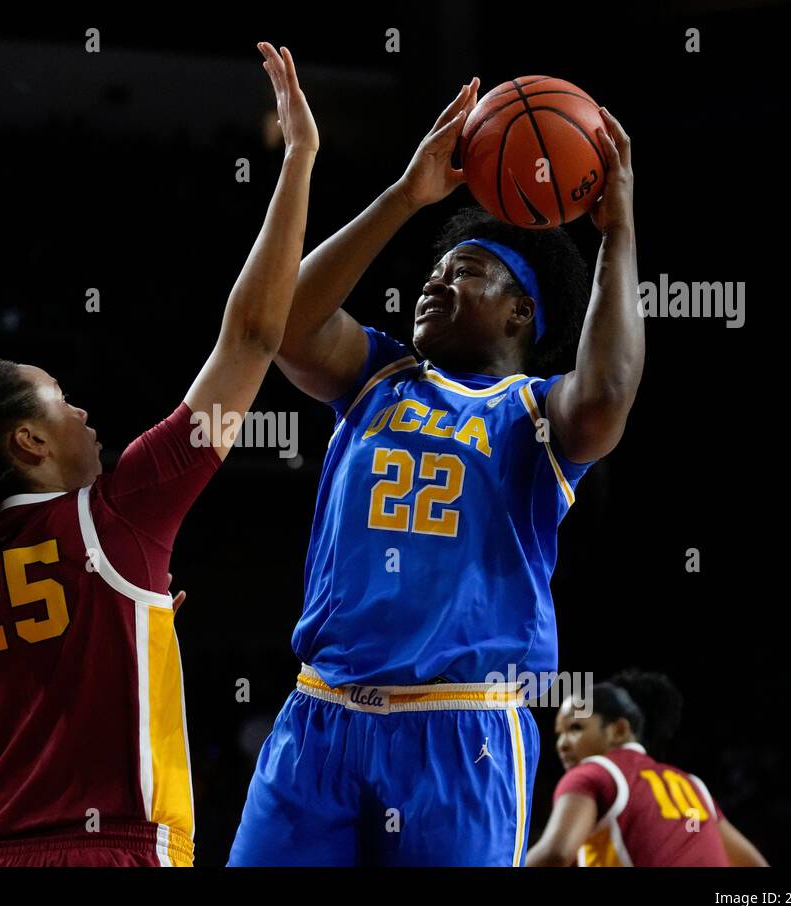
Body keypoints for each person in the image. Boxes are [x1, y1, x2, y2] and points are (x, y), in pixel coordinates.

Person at [0, 42, 318, 866]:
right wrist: (298, 160)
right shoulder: (121, 514)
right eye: (61, 401)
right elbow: (252, 335)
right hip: (113, 851)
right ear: (28, 441)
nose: (85, 411)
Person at [230, 83, 642, 865]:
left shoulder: (537, 413)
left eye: (468, 270)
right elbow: (284, 325)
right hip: (319, 714)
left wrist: (618, 234)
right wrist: (403, 196)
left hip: (460, 730)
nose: (434, 280)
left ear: (522, 313)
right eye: (437, 266)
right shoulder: (377, 375)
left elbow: (611, 390)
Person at [526, 670, 768, 867]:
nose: (562, 744)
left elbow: (554, 855)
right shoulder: (692, 784)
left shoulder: (593, 772)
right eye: (559, 734)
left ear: (619, 730)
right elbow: (755, 864)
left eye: (575, 728)